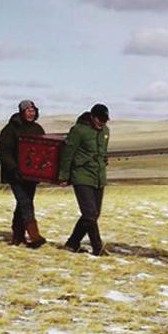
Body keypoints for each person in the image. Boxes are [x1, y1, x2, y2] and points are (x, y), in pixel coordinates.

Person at [59, 103, 110, 255]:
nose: (102, 123)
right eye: (100, 119)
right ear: (92, 117)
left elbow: (102, 151)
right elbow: (68, 153)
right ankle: (98, 248)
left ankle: (72, 244)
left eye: (105, 120)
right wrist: (64, 176)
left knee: (93, 215)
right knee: (89, 214)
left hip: (98, 176)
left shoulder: (105, 131)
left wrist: (103, 160)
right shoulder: (78, 130)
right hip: (81, 175)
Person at [0, 99, 47, 248]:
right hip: (15, 174)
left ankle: (17, 236)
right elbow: (3, 152)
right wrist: (14, 168)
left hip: (32, 175)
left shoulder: (38, 128)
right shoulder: (10, 129)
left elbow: (42, 151)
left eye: (33, 110)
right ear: (22, 112)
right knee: (25, 203)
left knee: (23, 204)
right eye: (28, 110)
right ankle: (34, 236)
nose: (31, 113)